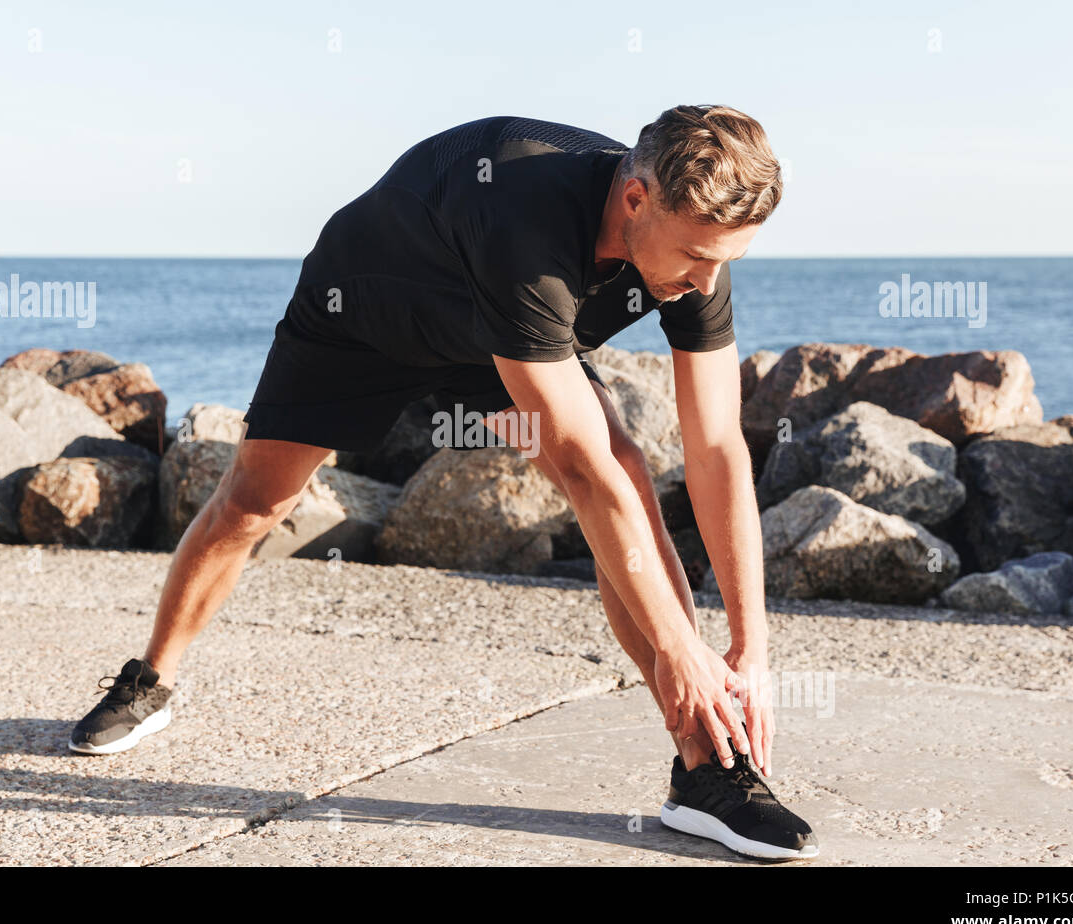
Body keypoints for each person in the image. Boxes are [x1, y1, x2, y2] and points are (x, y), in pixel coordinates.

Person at [69, 105, 819, 861]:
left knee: (624, 461)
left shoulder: (697, 259)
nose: (707, 280)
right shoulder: (527, 227)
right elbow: (588, 478)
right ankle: (149, 680)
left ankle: (708, 769)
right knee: (255, 503)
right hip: (363, 313)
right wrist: (685, 654)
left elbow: (717, 446)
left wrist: (748, 648)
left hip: (494, 338)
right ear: (635, 200)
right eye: (695, 255)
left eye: (726, 260)